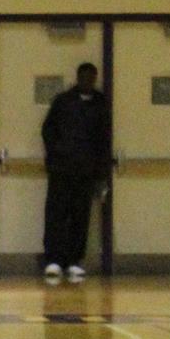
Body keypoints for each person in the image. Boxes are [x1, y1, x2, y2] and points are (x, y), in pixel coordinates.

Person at [42, 63, 110, 283]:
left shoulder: (101, 104)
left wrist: (101, 173)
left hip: (86, 170)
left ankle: (74, 261)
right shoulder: (63, 102)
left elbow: (103, 140)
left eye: (91, 78)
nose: (87, 81)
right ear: (78, 78)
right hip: (61, 169)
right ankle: (53, 259)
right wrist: (55, 154)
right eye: (84, 77)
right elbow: (48, 130)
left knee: (80, 217)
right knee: (56, 214)